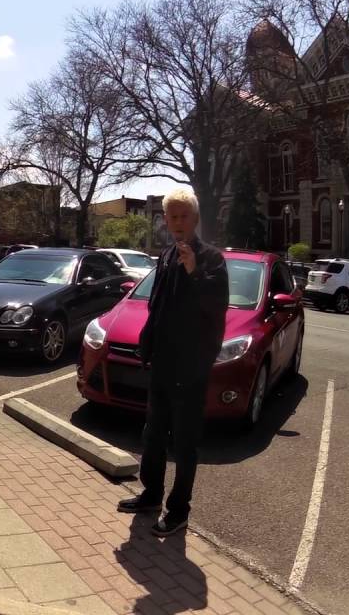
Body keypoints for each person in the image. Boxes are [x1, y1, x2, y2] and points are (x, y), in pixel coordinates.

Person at [118, 188, 228, 537]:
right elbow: (158, 307)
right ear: (166, 221)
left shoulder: (211, 258)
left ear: (195, 219)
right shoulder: (165, 255)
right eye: (173, 216)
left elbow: (215, 306)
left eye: (184, 216)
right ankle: (151, 495)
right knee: (152, 434)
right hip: (163, 362)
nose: (178, 222)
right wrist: (146, 345)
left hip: (191, 367)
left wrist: (194, 271)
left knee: (184, 441)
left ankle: (178, 510)